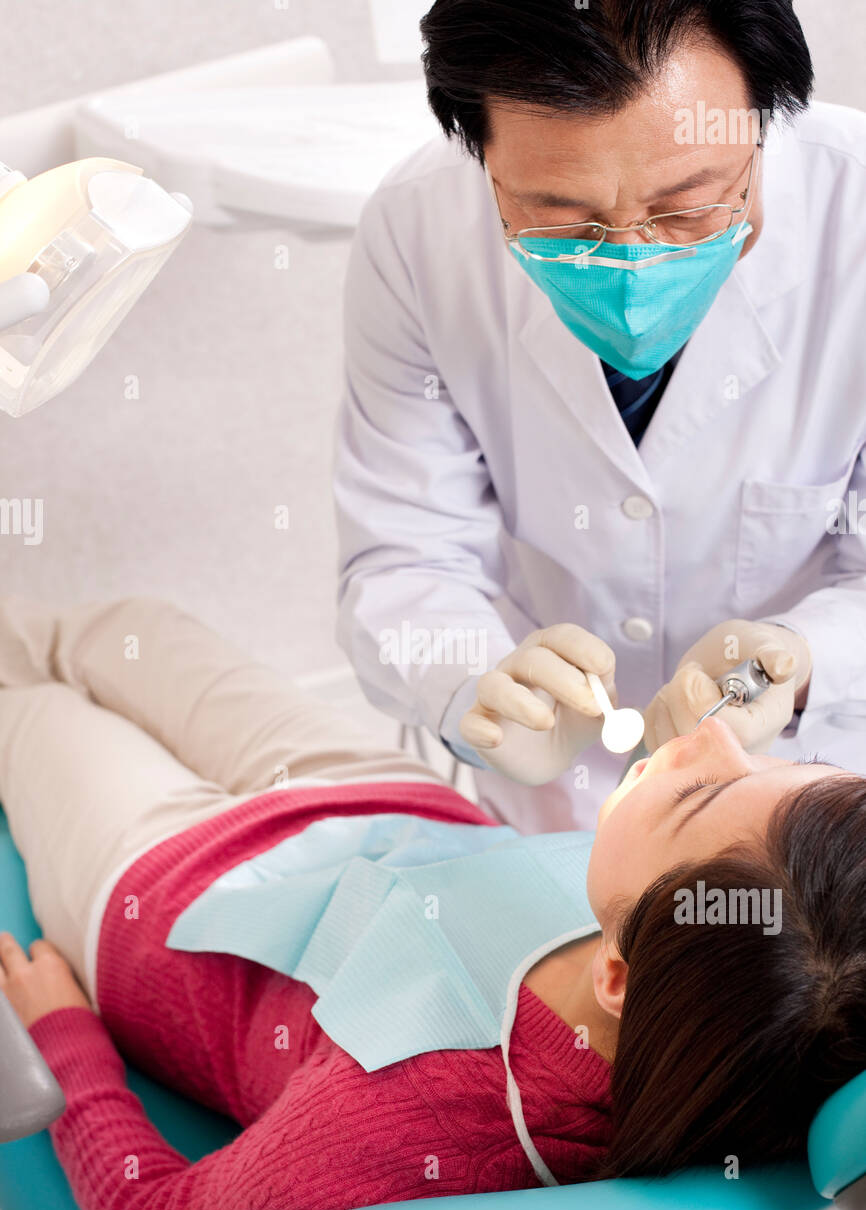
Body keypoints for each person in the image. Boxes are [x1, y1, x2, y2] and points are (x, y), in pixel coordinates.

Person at [1, 596, 865, 1210]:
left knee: (26, 706)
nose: (714, 735)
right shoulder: (739, 970)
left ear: (617, 974)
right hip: (383, 806)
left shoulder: (410, 1120)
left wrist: (67, 1043)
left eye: (699, 795)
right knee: (125, 628)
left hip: (177, 887)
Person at [333, 0, 866, 835]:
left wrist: (804, 661)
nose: (632, 262)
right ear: (481, 157)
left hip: (818, 784)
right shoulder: (416, 229)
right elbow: (404, 551)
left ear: (766, 124)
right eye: (562, 217)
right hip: (556, 807)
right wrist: (475, 684)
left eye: (688, 208)